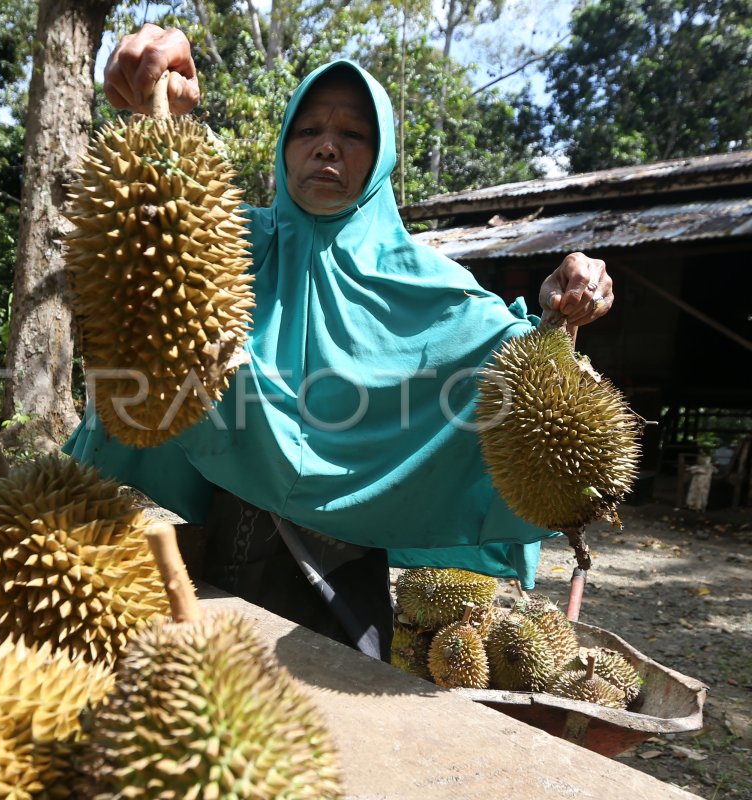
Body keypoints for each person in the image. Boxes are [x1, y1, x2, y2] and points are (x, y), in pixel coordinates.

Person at [65, 25, 614, 659]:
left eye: (353, 134)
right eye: (308, 132)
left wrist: (561, 311)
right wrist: (159, 113)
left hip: (341, 579)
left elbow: (505, 354)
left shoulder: (432, 288)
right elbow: (155, 238)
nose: (327, 147)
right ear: (285, 147)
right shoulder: (232, 244)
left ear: (379, 159)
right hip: (210, 549)